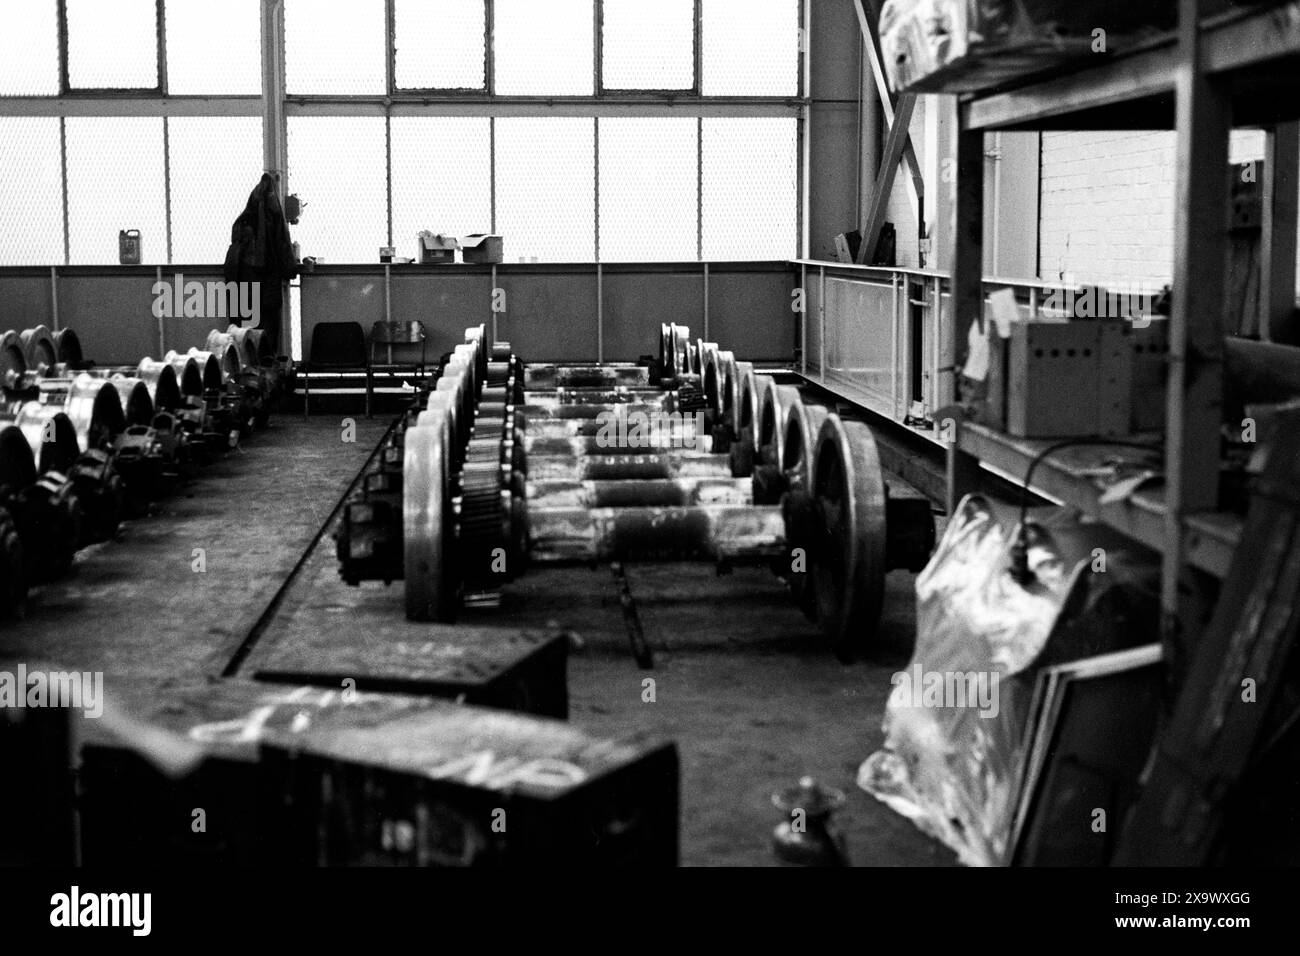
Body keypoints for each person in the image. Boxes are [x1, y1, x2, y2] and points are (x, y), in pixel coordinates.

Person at [223, 172, 297, 355]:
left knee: (247, 333)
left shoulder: (243, 223)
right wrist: (290, 267)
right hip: (267, 287)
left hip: (246, 288)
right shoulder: (273, 218)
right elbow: (283, 247)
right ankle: (267, 369)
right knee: (268, 334)